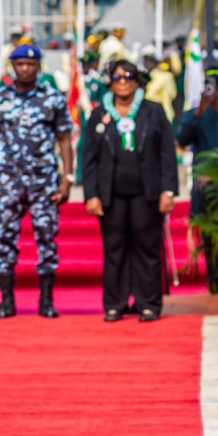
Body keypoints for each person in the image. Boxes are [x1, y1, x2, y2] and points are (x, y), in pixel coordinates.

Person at [0, 43, 74, 320]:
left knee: (47, 239)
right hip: (7, 181)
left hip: (43, 181)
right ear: (13, 66)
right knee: (5, 240)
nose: (25, 69)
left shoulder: (53, 98)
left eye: (30, 64)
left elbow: (65, 140)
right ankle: (7, 302)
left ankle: (47, 302)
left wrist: (67, 180)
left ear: (38, 66)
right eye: (20, 64)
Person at [81, 59, 177, 322]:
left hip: (146, 193)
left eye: (128, 77)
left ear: (137, 81)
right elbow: (88, 158)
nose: (122, 82)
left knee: (147, 248)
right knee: (115, 249)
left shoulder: (153, 111)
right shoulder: (99, 114)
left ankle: (148, 304)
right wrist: (91, 194)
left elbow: (167, 153)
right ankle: (115, 304)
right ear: (110, 82)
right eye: (117, 77)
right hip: (111, 195)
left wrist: (168, 191)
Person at [178, 66, 218, 293]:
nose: (214, 89)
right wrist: (200, 111)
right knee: (209, 236)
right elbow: (182, 140)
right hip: (205, 186)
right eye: (210, 84)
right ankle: (214, 282)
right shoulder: (195, 114)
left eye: (217, 84)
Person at [142, 49, 177, 123]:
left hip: (163, 116)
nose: (147, 64)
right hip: (148, 116)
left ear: (156, 63)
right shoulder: (143, 77)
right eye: (146, 61)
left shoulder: (166, 77)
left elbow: (172, 95)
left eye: (150, 61)